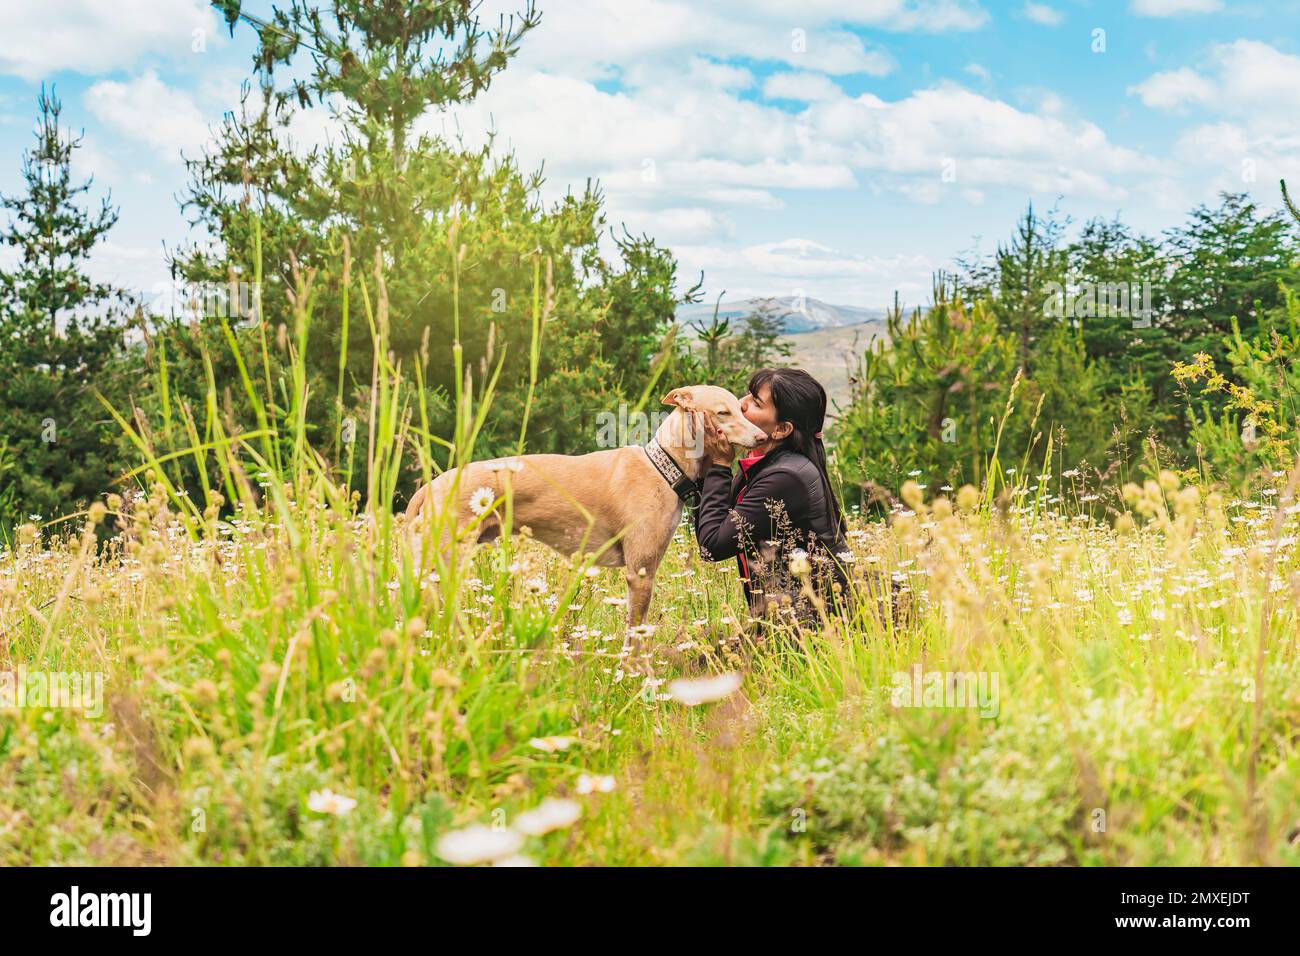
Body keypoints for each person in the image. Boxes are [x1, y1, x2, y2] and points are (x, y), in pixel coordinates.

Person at [693, 367, 853, 629]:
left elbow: (712, 546)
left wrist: (719, 466)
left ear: (781, 429)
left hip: (823, 625)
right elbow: (711, 528)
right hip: (794, 617)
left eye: (756, 402)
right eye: (748, 395)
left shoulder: (784, 479)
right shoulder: (768, 464)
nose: (741, 404)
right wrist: (705, 469)